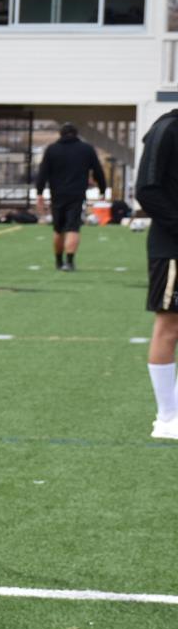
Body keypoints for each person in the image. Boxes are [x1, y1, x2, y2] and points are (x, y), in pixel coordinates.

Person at [135, 108, 178, 440]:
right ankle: (166, 419)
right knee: (169, 325)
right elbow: (147, 189)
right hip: (172, 248)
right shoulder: (167, 128)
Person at [34, 123, 108, 270]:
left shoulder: (52, 149)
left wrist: (40, 192)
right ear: (76, 134)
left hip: (57, 193)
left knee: (58, 229)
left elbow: (43, 172)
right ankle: (69, 261)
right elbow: (98, 171)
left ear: (61, 134)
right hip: (77, 193)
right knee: (73, 227)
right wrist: (102, 189)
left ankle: (58, 261)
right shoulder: (86, 149)